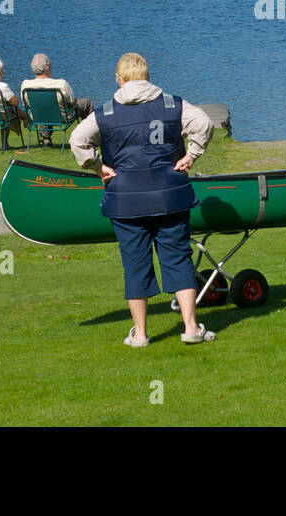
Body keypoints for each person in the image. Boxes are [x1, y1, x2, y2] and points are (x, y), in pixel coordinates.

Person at [69, 53, 215, 347]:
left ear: (119, 79)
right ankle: (190, 327)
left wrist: (97, 167)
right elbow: (205, 123)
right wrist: (190, 156)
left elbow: (77, 141)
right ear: (146, 76)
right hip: (170, 196)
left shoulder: (105, 113)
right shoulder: (173, 104)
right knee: (178, 258)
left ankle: (141, 334)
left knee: (135, 263)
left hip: (125, 200)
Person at [21, 52, 94, 146]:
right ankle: (90, 136)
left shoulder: (26, 85)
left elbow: (26, 105)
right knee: (86, 103)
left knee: (40, 108)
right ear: (47, 68)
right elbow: (73, 103)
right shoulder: (60, 84)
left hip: (39, 117)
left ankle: (46, 139)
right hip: (63, 117)